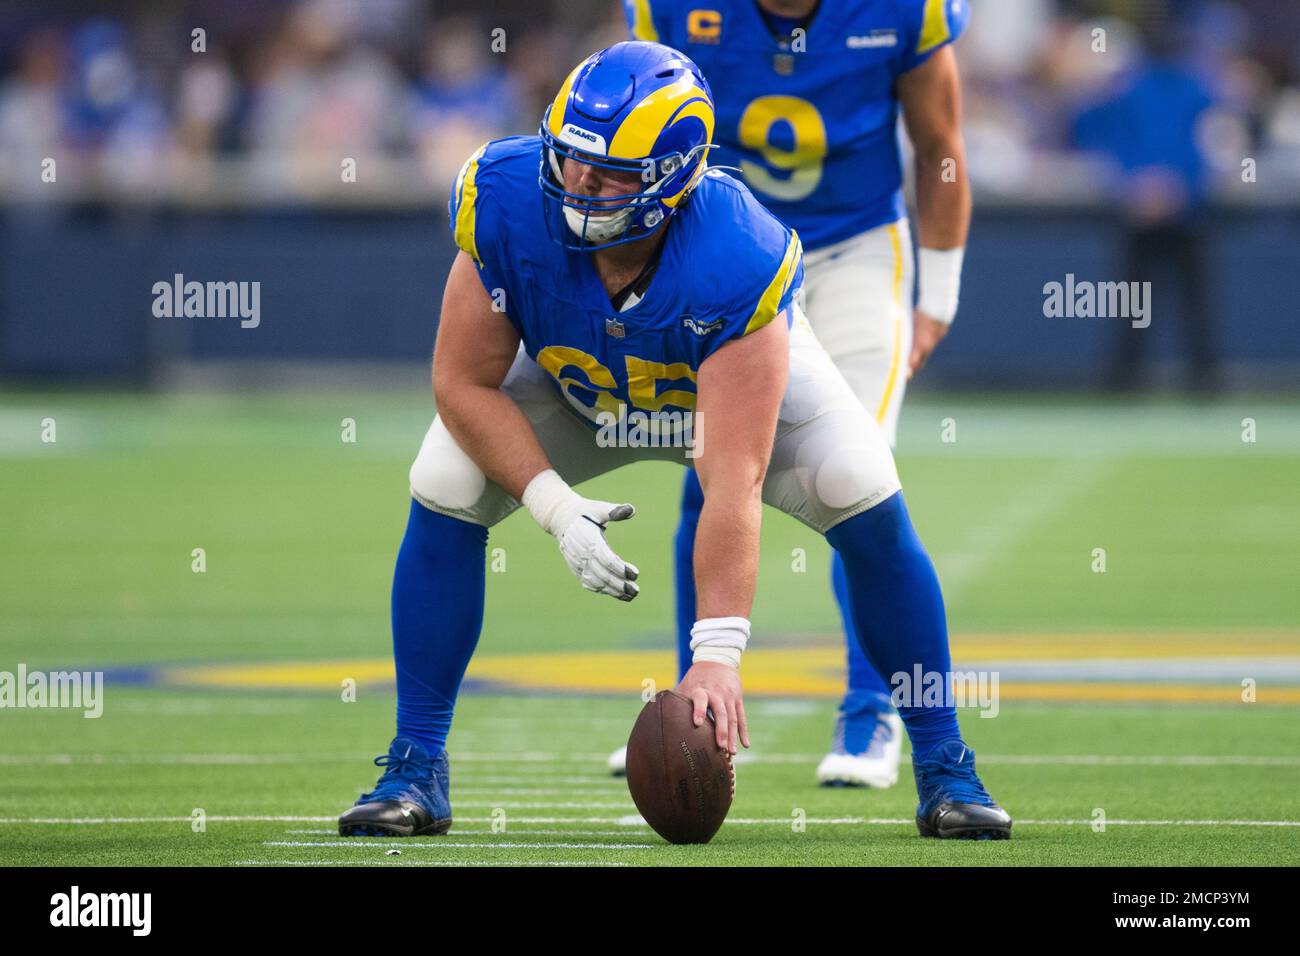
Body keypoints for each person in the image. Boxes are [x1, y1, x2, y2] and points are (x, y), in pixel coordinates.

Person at [337, 40, 1009, 841]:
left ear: (676, 176)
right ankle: (416, 766)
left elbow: (733, 477)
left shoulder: (736, 255)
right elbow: (462, 384)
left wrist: (717, 654)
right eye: (572, 158)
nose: (581, 183)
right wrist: (552, 506)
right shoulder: (506, 196)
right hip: (578, 386)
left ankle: (944, 767)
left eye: (613, 172)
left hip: (707, 396)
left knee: (858, 486)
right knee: (445, 480)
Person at [609, 0, 973, 788]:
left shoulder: (902, 11)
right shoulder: (674, 9)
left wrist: (935, 292)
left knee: (855, 483)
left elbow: (940, 145)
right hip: (721, 254)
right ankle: (690, 713)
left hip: (853, 250)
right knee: (709, 479)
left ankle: (873, 710)